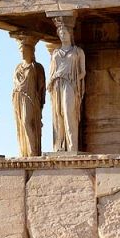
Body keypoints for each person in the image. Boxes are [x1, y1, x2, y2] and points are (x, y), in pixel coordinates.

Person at [47, 18, 85, 152]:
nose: (62, 35)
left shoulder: (78, 51)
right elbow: (52, 70)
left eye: (65, 33)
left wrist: (74, 80)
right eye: (60, 33)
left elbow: (83, 72)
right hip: (57, 83)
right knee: (58, 113)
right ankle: (60, 146)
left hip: (70, 83)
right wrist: (51, 82)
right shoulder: (55, 52)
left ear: (70, 34)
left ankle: (72, 146)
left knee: (69, 112)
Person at [12, 38, 45, 157]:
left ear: (31, 51)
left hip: (31, 98)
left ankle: (33, 151)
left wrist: (40, 103)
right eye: (21, 50)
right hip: (18, 97)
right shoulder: (18, 67)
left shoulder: (36, 67)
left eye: (24, 50)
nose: (22, 53)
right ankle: (25, 151)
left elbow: (41, 86)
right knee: (21, 123)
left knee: (27, 122)